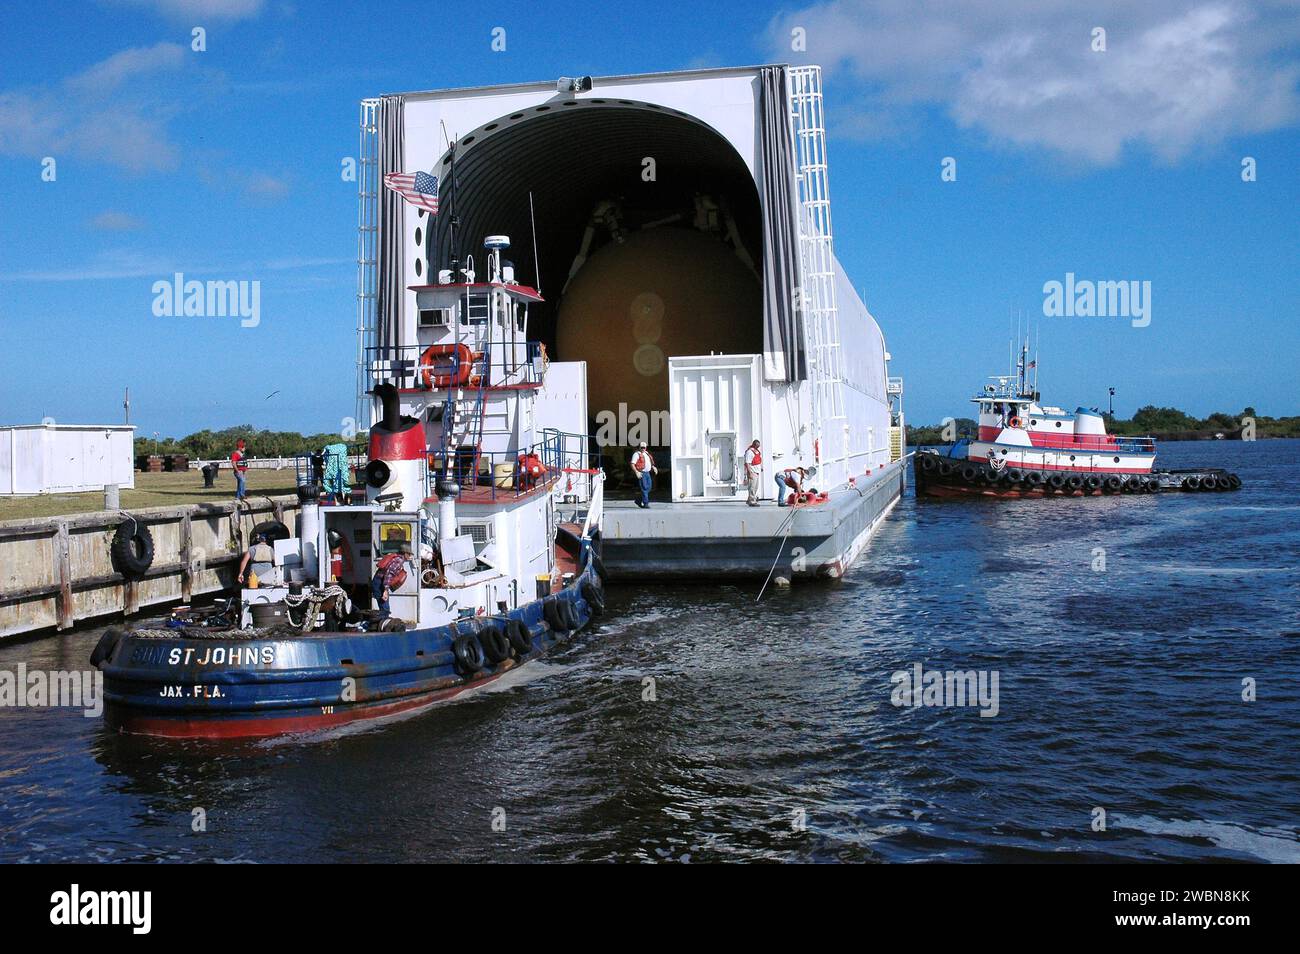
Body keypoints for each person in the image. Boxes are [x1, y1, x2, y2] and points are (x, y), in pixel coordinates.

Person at [371, 543, 412, 619]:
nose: (410, 556)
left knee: (383, 607)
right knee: (385, 609)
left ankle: (381, 623)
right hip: (380, 583)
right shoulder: (399, 561)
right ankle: (383, 627)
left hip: (378, 582)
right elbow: (389, 574)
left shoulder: (396, 557)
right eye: (409, 554)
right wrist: (385, 590)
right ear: (405, 553)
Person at [630, 441, 657, 508]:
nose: (643, 449)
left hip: (647, 473)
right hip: (642, 473)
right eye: (642, 447)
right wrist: (636, 472)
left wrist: (653, 467)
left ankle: (639, 499)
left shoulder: (646, 453)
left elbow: (650, 462)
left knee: (649, 487)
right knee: (644, 488)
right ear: (639, 447)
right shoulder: (636, 454)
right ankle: (646, 503)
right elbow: (632, 464)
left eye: (644, 447)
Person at [743, 439, 763, 506]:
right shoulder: (749, 452)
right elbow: (747, 463)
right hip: (752, 471)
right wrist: (749, 473)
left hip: (757, 472)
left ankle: (749, 499)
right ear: (754, 444)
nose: (758, 447)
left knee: (756, 487)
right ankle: (752, 501)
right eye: (757, 445)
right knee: (752, 487)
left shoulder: (757, 451)